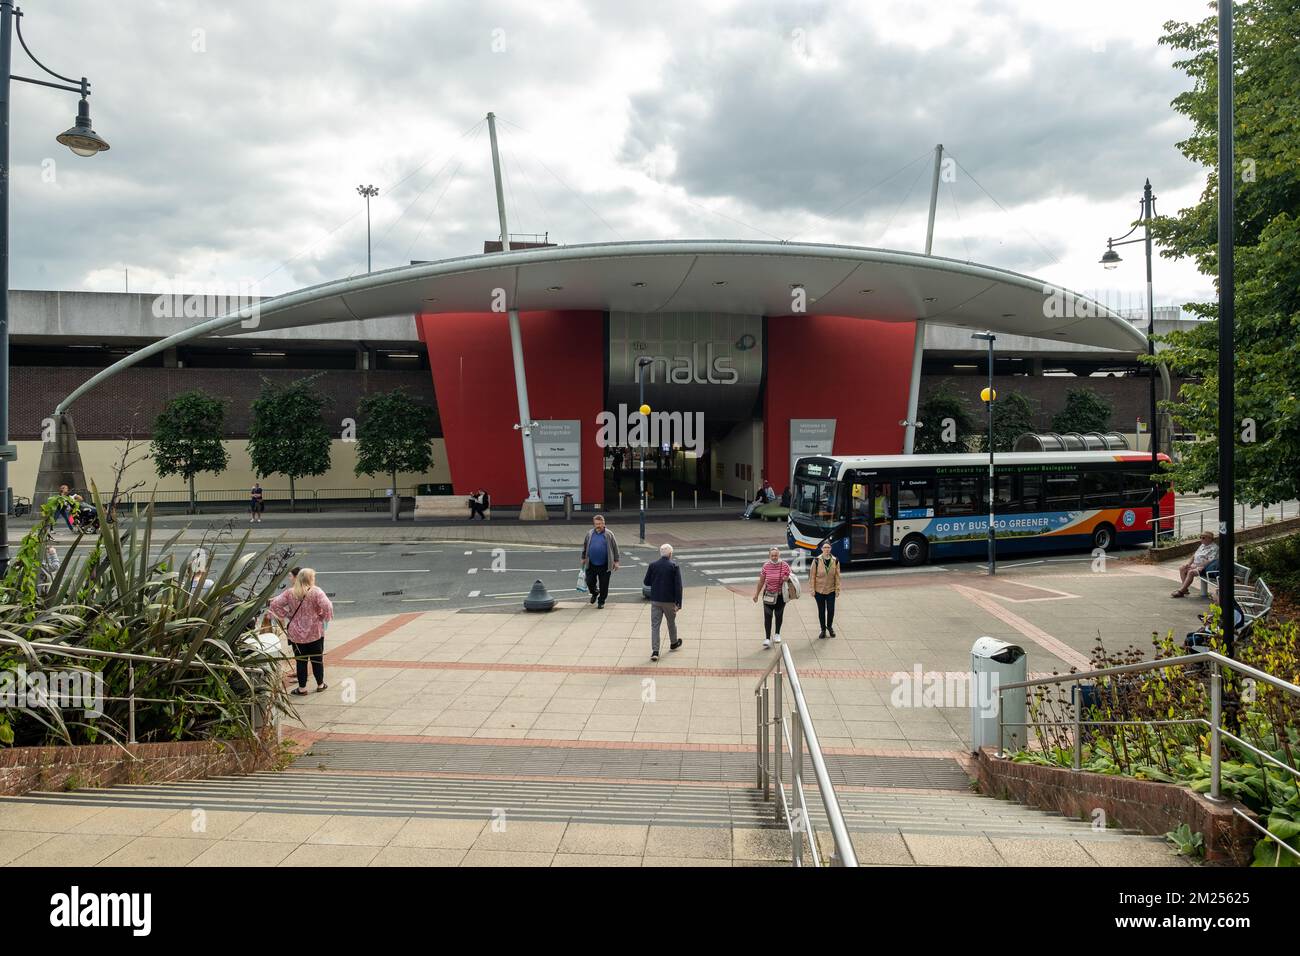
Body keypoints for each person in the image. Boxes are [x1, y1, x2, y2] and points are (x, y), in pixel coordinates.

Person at [270, 567, 334, 695]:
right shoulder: (316, 592)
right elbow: (328, 605)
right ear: (310, 579)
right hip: (315, 631)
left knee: (300, 661)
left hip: (296, 633)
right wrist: (323, 617)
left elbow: (274, 604)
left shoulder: (290, 593)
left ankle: (302, 688)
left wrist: (287, 614)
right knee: (317, 659)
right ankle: (320, 684)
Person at [643, 543, 684, 661]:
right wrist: (678, 603)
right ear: (670, 554)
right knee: (671, 622)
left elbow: (646, 581)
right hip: (669, 601)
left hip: (656, 600)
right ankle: (673, 642)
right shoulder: (674, 566)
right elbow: (678, 586)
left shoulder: (653, 565)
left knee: (655, 626)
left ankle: (655, 651)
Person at [752, 546, 792, 649]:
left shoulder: (785, 565)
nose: (774, 557)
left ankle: (777, 633)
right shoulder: (766, 566)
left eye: (776, 555)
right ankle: (767, 638)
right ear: (769, 556)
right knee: (768, 615)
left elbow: (790, 579)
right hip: (768, 595)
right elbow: (761, 581)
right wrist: (756, 594)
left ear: (779, 555)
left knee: (779, 614)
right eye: (772, 555)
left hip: (780, 595)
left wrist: (787, 578)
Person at [580, 514, 620, 609]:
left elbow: (615, 548)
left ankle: (601, 601)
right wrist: (583, 557)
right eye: (596, 524)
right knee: (589, 581)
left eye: (599, 524)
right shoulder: (590, 533)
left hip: (605, 565)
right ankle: (594, 592)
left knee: (604, 585)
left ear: (603, 523)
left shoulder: (609, 534)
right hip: (591, 563)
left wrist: (616, 561)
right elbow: (585, 546)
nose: (598, 526)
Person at [809, 540, 842, 638]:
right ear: (821, 549)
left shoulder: (835, 560)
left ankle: (830, 627)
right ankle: (823, 629)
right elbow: (812, 576)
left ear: (831, 548)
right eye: (825, 547)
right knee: (821, 611)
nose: (827, 549)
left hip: (831, 590)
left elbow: (837, 576)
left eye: (828, 547)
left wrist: (837, 589)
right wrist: (812, 589)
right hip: (819, 591)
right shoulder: (816, 560)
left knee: (831, 610)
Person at [1172, 532, 1219, 598]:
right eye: (1200, 537)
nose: (1201, 539)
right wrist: (1188, 564)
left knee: (1191, 572)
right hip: (1195, 565)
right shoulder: (1202, 545)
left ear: (1210, 539)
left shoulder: (1214, 548)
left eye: (1203, 538)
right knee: (1182, 568)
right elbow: (1194, 556)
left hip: (1205, 568)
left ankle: (1181, 591)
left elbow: (1209, 561)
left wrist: (1196, 566)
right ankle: (1185, 589)